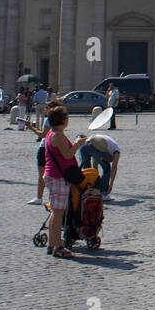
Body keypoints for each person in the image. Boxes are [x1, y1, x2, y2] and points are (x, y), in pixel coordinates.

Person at [42, 105, 88, 259]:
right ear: (62, 120)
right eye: (67, 116)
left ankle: (51, 243)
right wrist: (78, 144)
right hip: (58, 177)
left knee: (55, 212)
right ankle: (58, 247)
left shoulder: (52, 133)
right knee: (58, 213)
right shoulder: (58, 135)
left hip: (53, 175)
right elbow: (68, 155)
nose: (68, 118)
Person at [25, 100, 60, 204]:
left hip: (45, 147)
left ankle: (39, 198)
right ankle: (53, 197)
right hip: (55, 147)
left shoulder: (48, 120)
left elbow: (43, 135)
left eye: (47, 108)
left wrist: (31, 127)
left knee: (42, 174)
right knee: (54, 173)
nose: (45, 110)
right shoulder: (60, 119)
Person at [78, 130, 121, 196]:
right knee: (107, 168)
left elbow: (95, 167)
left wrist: (96, 181)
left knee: (87, 170)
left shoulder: (105, 146)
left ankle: (87, 190)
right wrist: (111, 184)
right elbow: (114, 166)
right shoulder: (117, 150)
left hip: (84, 145)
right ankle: (104, 192)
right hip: (94, 145)